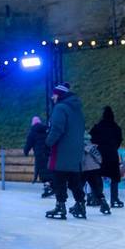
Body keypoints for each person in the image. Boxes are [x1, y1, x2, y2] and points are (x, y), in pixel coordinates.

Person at [44, 83, 86, 220]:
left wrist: (48, 142)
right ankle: (80, 204)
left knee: (59, 177)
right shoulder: (78, 109)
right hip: (75, 150)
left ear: (59, 95)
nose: (52, 97)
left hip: (61, 149)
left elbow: (56, 128)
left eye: (54, 94)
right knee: (74, 178)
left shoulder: (60, 108)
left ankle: (60, 206)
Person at [90, 106, 125, 209]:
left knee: (98, 176)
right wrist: (114, 147)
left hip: (100, 155)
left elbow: (91, 139)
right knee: (114, 177)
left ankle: (97, 197)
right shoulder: (116, 128)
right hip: (112, 154)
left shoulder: (98, 127)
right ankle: (114, 199)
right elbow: (119, 140)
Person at [81, 130, 110, 215]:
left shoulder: (79, 146)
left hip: (84, 170)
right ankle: (104, 203)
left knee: (79, 188)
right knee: (97, 188)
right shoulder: (92, 146)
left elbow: (81, 159)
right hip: (95, 169)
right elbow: (99, 158)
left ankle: (80, 205)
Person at [23, 116, 53, 196]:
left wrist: (26, 151)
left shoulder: (32, 132)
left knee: (43, 171)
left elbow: (28, 143)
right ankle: (52, 187)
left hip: (39, 154)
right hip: (48, 152)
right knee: (49, 170)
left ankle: (47, 188)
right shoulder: (45, 130)